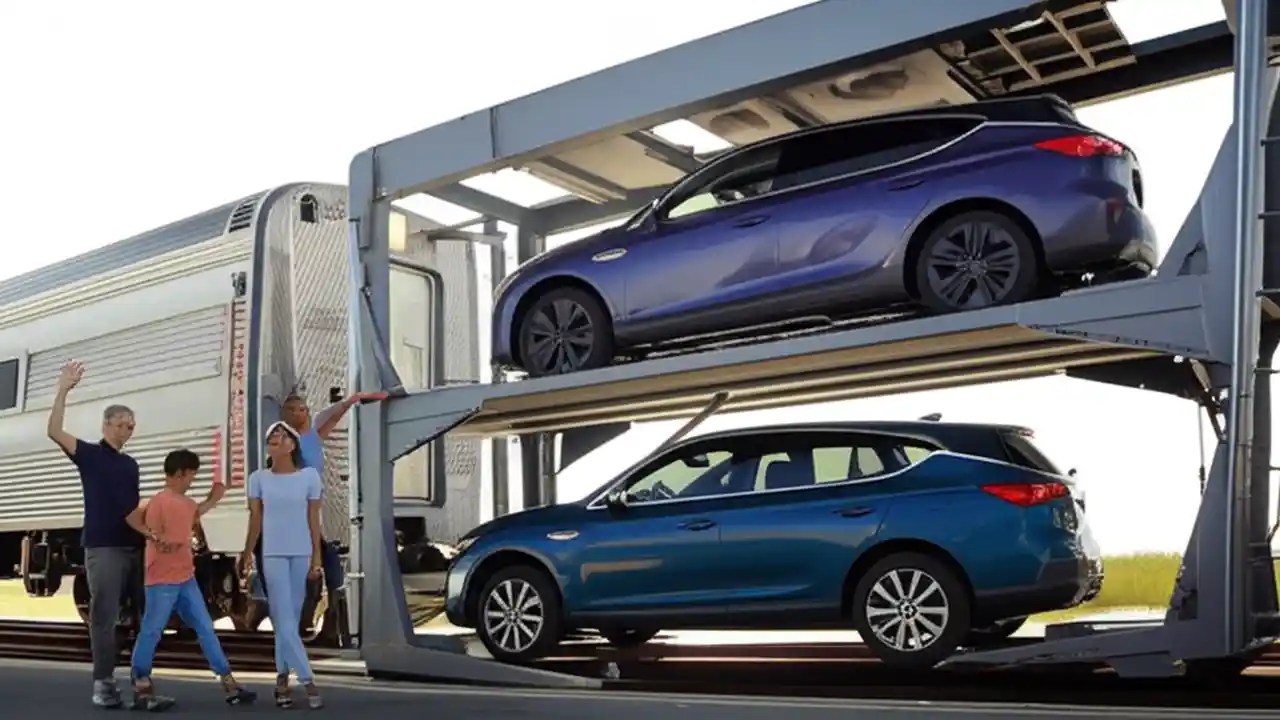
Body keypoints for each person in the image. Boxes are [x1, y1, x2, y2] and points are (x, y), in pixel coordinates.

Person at [123, 449, 258, 710]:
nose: (191, 481)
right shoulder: (159, 502)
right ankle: (141, 683)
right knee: (152, 629)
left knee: (205, 627)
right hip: (162, 578)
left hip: (185, 577)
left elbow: (195, 513)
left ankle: (228, 681)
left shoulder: (184, 503)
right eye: (190, 476)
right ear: (179, 474)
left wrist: (215, 497)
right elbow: (145, 526)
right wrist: (157, 538)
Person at [46, 360, 144, 709]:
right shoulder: (89, 454)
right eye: (120, 425)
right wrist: (63, 389)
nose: (126, 431)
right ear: (106, 425)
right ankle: (103, 683)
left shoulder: (131, 464)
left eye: (131, 426)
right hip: (103, 548)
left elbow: (132, 508)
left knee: (145, 615)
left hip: (136, 547)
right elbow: (55, 431)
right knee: (104, 615)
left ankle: (141, 682)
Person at [239, 421, 326, 709]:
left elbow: (314, 520)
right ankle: (308, 681)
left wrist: (317, 556)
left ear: (292, 445)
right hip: (273, 553)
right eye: (271, 437)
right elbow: (256, 520)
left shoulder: (309, 477)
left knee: (290, 619)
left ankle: (281, 680)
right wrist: (247, 552)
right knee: (283, 619)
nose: (275, 438)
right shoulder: (258, 478)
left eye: (281, 435)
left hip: (301, 552)